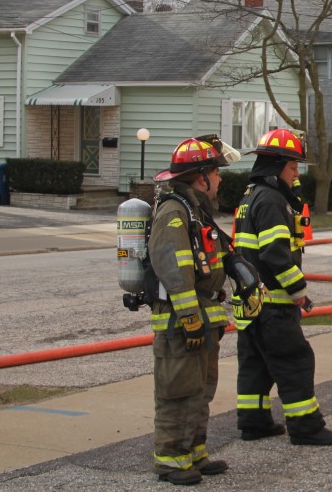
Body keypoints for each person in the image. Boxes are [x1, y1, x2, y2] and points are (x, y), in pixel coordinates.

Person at [232, 129, 332, 446]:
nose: (296, 174)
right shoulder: (271, 200)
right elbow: (275, 253)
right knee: (295, 361)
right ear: (277, 165)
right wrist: (299, 292)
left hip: (251, 305)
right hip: (273, 306)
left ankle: (253, 422)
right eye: (293, 167)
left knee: (255, 364)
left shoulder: (249, 197)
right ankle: (306, 427)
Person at [148, 134, 239, 485]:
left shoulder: (196, 210)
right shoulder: (174, 211)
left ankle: (194, 453)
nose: (219, 179)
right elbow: (174, 268)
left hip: (202, 318)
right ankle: (171, 460)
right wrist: (189, 318)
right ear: (201, 177)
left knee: (201, 389)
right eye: (216, 173)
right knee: (178, 391)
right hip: (180, 322)